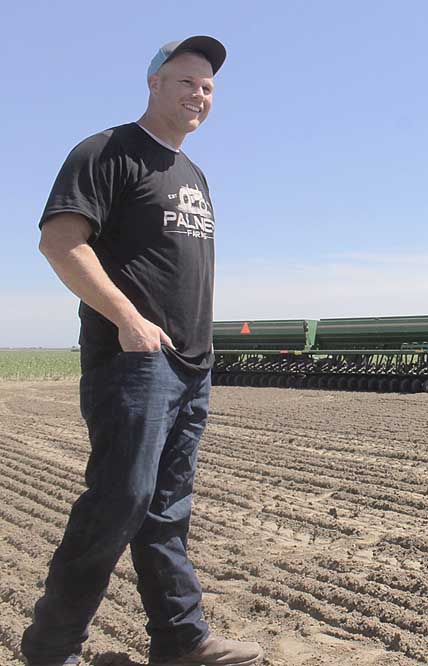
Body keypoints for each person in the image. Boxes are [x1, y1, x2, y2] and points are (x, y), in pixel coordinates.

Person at [21, 37, 263, 666]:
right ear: (154, 83)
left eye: (207, 88)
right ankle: (51, 649)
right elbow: (61, 242)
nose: (198, 96)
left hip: (192, 364)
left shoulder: (194, 175)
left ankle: (180, 640)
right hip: (133, 360)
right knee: (119, 499)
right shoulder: (107, 151)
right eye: (186, 82)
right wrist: (128, 319)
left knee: (165, 508)